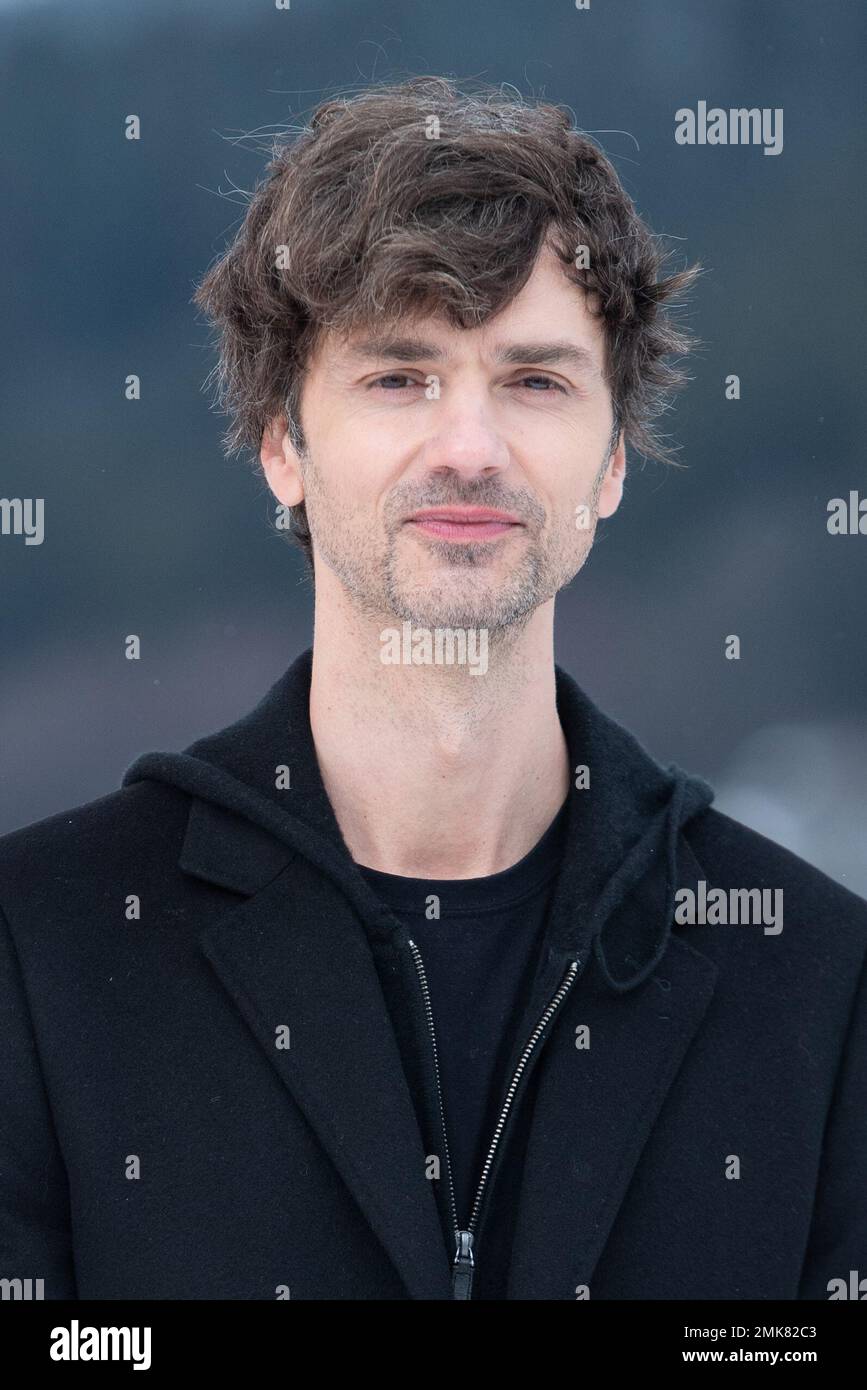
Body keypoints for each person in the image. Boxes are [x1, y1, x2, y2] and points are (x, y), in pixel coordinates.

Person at [1, 77, 864, 1302]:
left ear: (613, 458)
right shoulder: (40, 953)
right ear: (283, 445)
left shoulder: (819, 982)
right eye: (400, 376)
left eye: (535, 380)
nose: (470, 446)